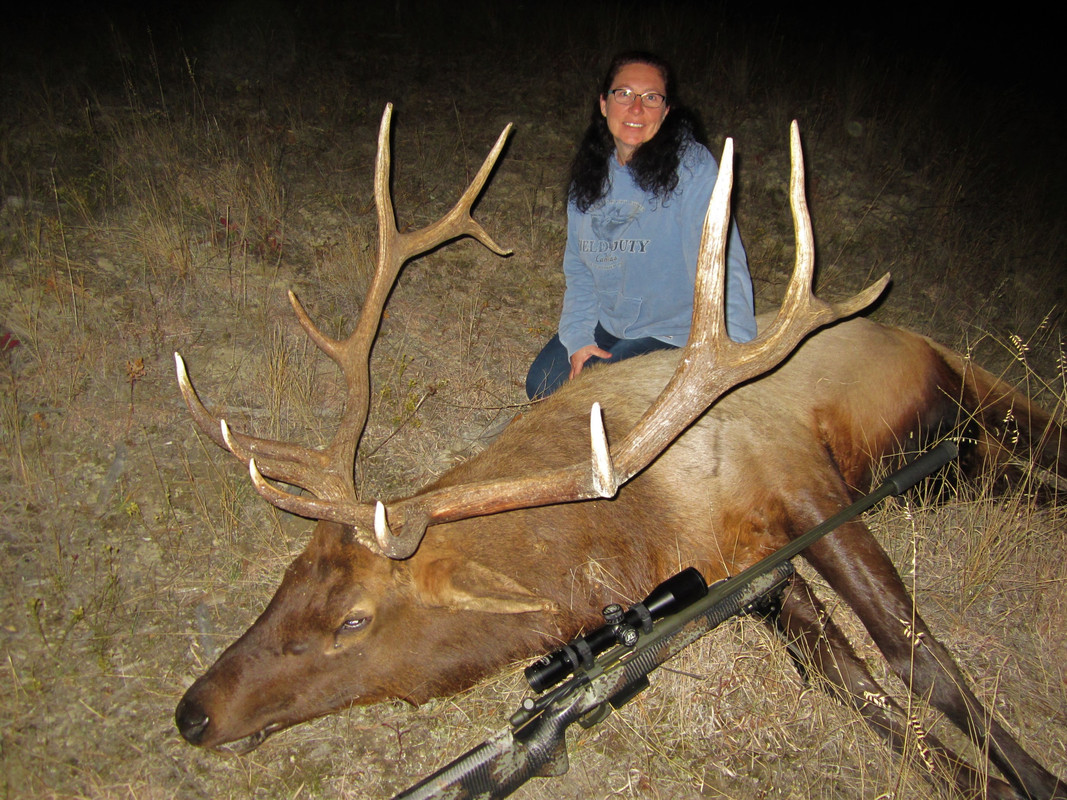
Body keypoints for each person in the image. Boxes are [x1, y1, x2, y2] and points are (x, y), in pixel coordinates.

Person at [525, 51, 757, 400]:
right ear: (604, 104)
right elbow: (580, 271)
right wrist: (578, 339)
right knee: (542, 384)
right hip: (610, 322)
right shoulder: (588, 177)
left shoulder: (692, 167)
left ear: (666, 112)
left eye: (651, 98)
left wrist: (736, 357)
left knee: (593, 402)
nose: (636, 109)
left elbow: (721, 261)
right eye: (624, 94)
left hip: (672, 332)